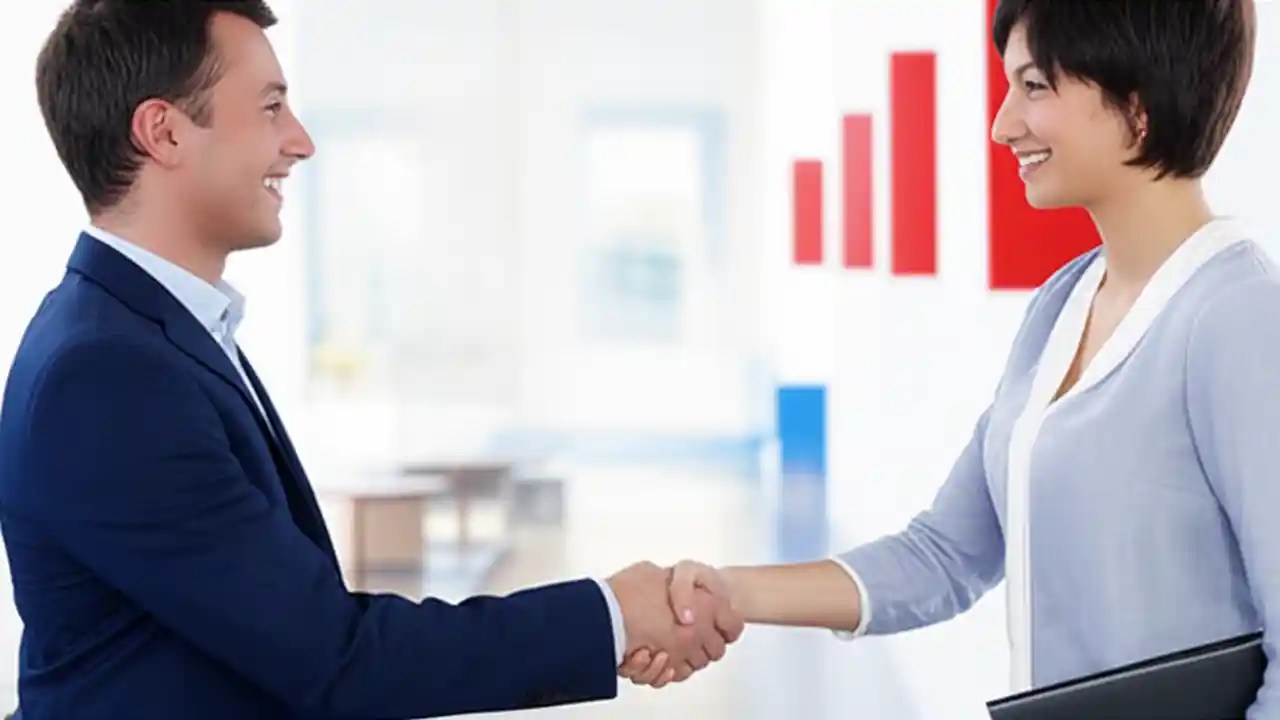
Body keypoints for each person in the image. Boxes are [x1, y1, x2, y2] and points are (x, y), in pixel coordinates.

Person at [0, 2, 741, 718]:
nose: (300, 141)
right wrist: (610, 616)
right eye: (269, 108)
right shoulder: (107, 376)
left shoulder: (138, 333)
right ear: (163, 132)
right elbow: (334, 659)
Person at [623, 0, 1280, 715]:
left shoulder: (1237, 319)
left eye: (1034, 87)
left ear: (1137, 105)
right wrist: (732, 591)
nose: (1003, 125)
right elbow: (945, 555)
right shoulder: (1062, 303)